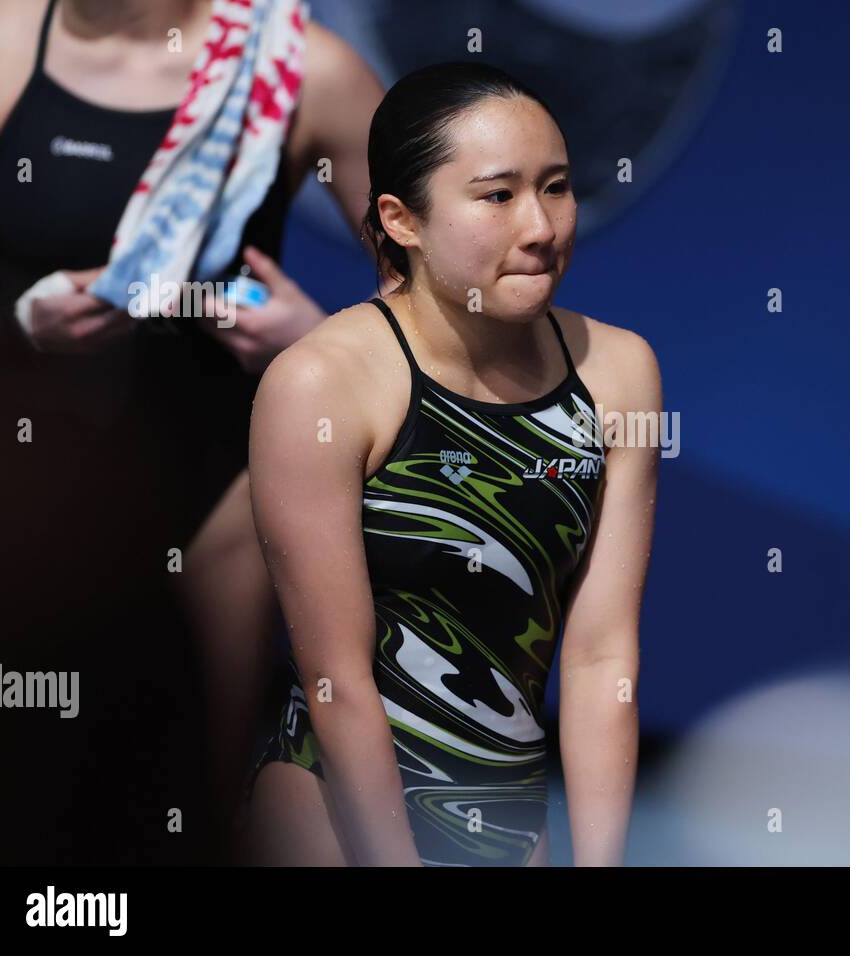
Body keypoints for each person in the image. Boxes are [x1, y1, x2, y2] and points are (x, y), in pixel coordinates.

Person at [0, 0, 382, 863]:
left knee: (180, 819)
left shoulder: (303, 67)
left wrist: (319, 341)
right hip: (23, 488)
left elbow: (453, 301)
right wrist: (13, 326)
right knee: (12, 799)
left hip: (213, 503)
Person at [240, 62, 659, 866]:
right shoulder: (322, 384)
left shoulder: (618, 373)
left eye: (558, 187)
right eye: (498, 196)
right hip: (333, 825)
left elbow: (603, 657)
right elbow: (340, 682)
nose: (541, 226)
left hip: (508, 829)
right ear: (402, 220)